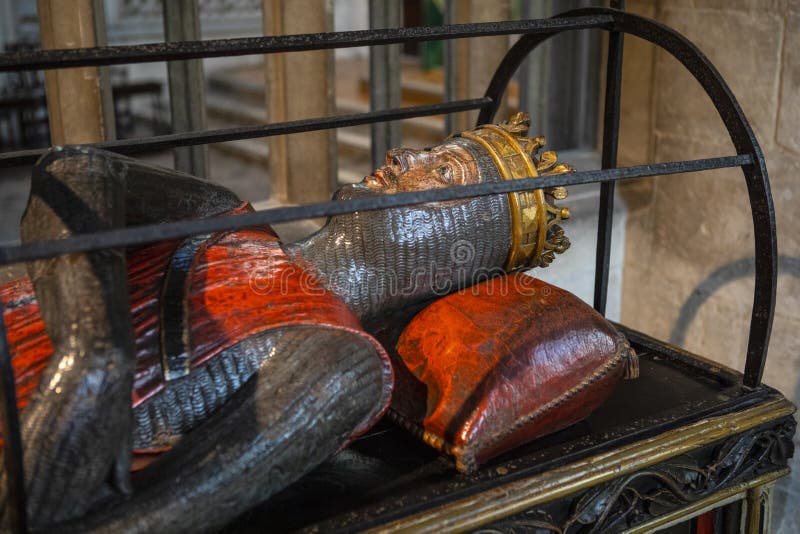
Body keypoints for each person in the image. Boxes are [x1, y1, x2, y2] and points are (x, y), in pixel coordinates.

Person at [0, 113, 572, 532]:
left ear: (459, 251)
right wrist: (91, 347)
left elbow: (147, 520)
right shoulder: (223, 218)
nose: (404, 156)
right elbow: (72, 170)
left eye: (442, 171)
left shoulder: (339, 362)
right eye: (431, 150)